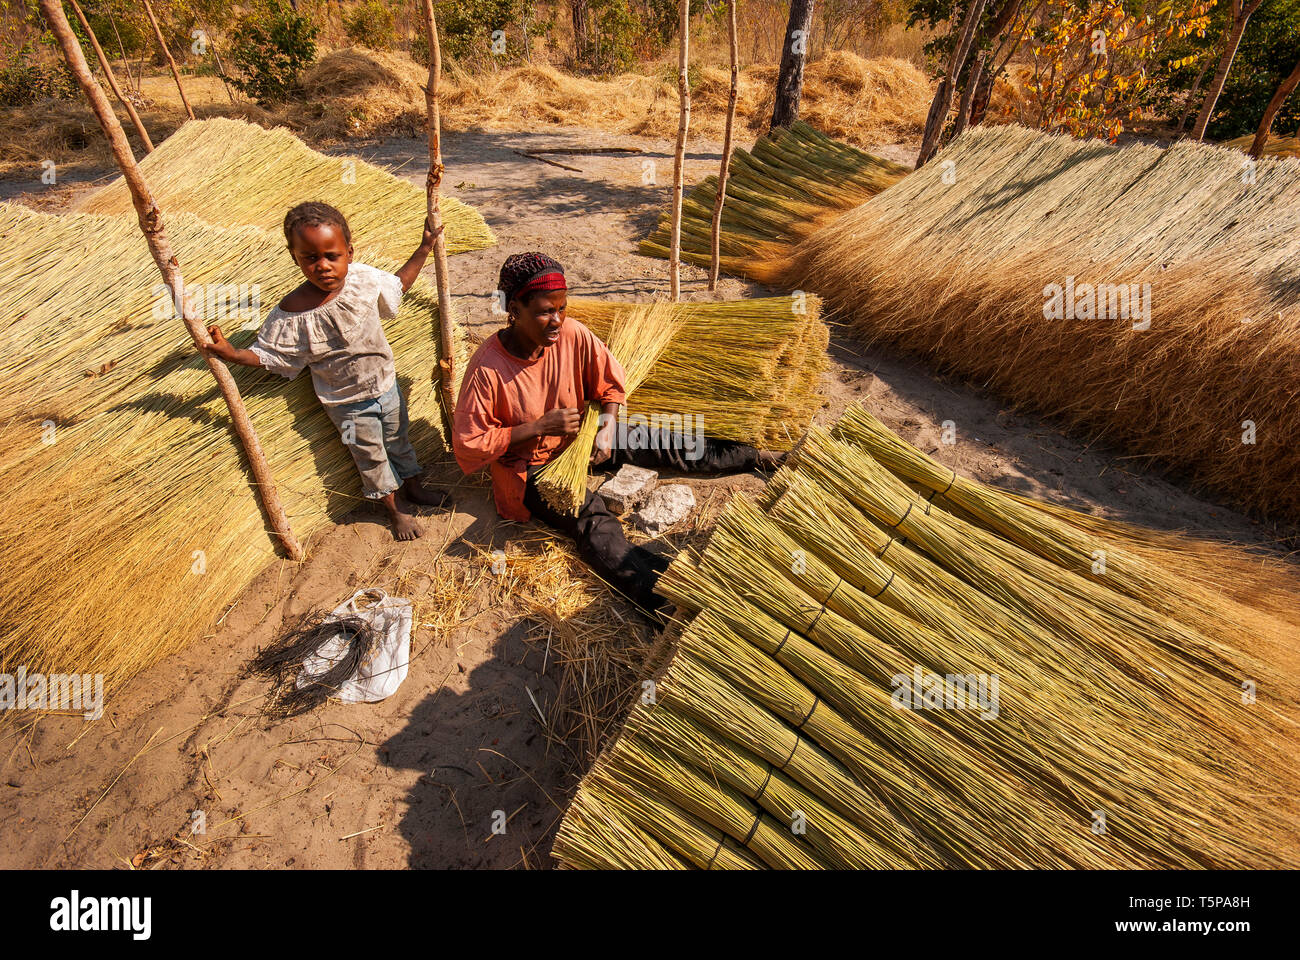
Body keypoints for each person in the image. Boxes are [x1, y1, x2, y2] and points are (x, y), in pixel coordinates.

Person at [452, 252, 781, 618]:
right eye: (546, 311)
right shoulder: (488, 367)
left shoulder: (570, 334)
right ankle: (664, 601)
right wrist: (538, 427)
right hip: (532, 467)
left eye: (562, 308)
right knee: (593, 519)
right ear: (514, 308)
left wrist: (607, 429)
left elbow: (609, 383)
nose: (557, 320)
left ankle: (755, 458)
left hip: (583, 438)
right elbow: (469, 443)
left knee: (664, 441)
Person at [202, 201, 446, 541]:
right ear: (295, 257)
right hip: (347, 405)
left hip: (387, 387)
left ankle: (415, 487)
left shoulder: (362, 279)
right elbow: (270, 355)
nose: (323, 266)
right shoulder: (292, 313)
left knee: (399, 441)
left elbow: (398, 286)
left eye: (332, 256)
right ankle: (394, 510)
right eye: (310, 258)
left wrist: (424, 249)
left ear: (349, 251)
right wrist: (233, 354)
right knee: (371, 459)